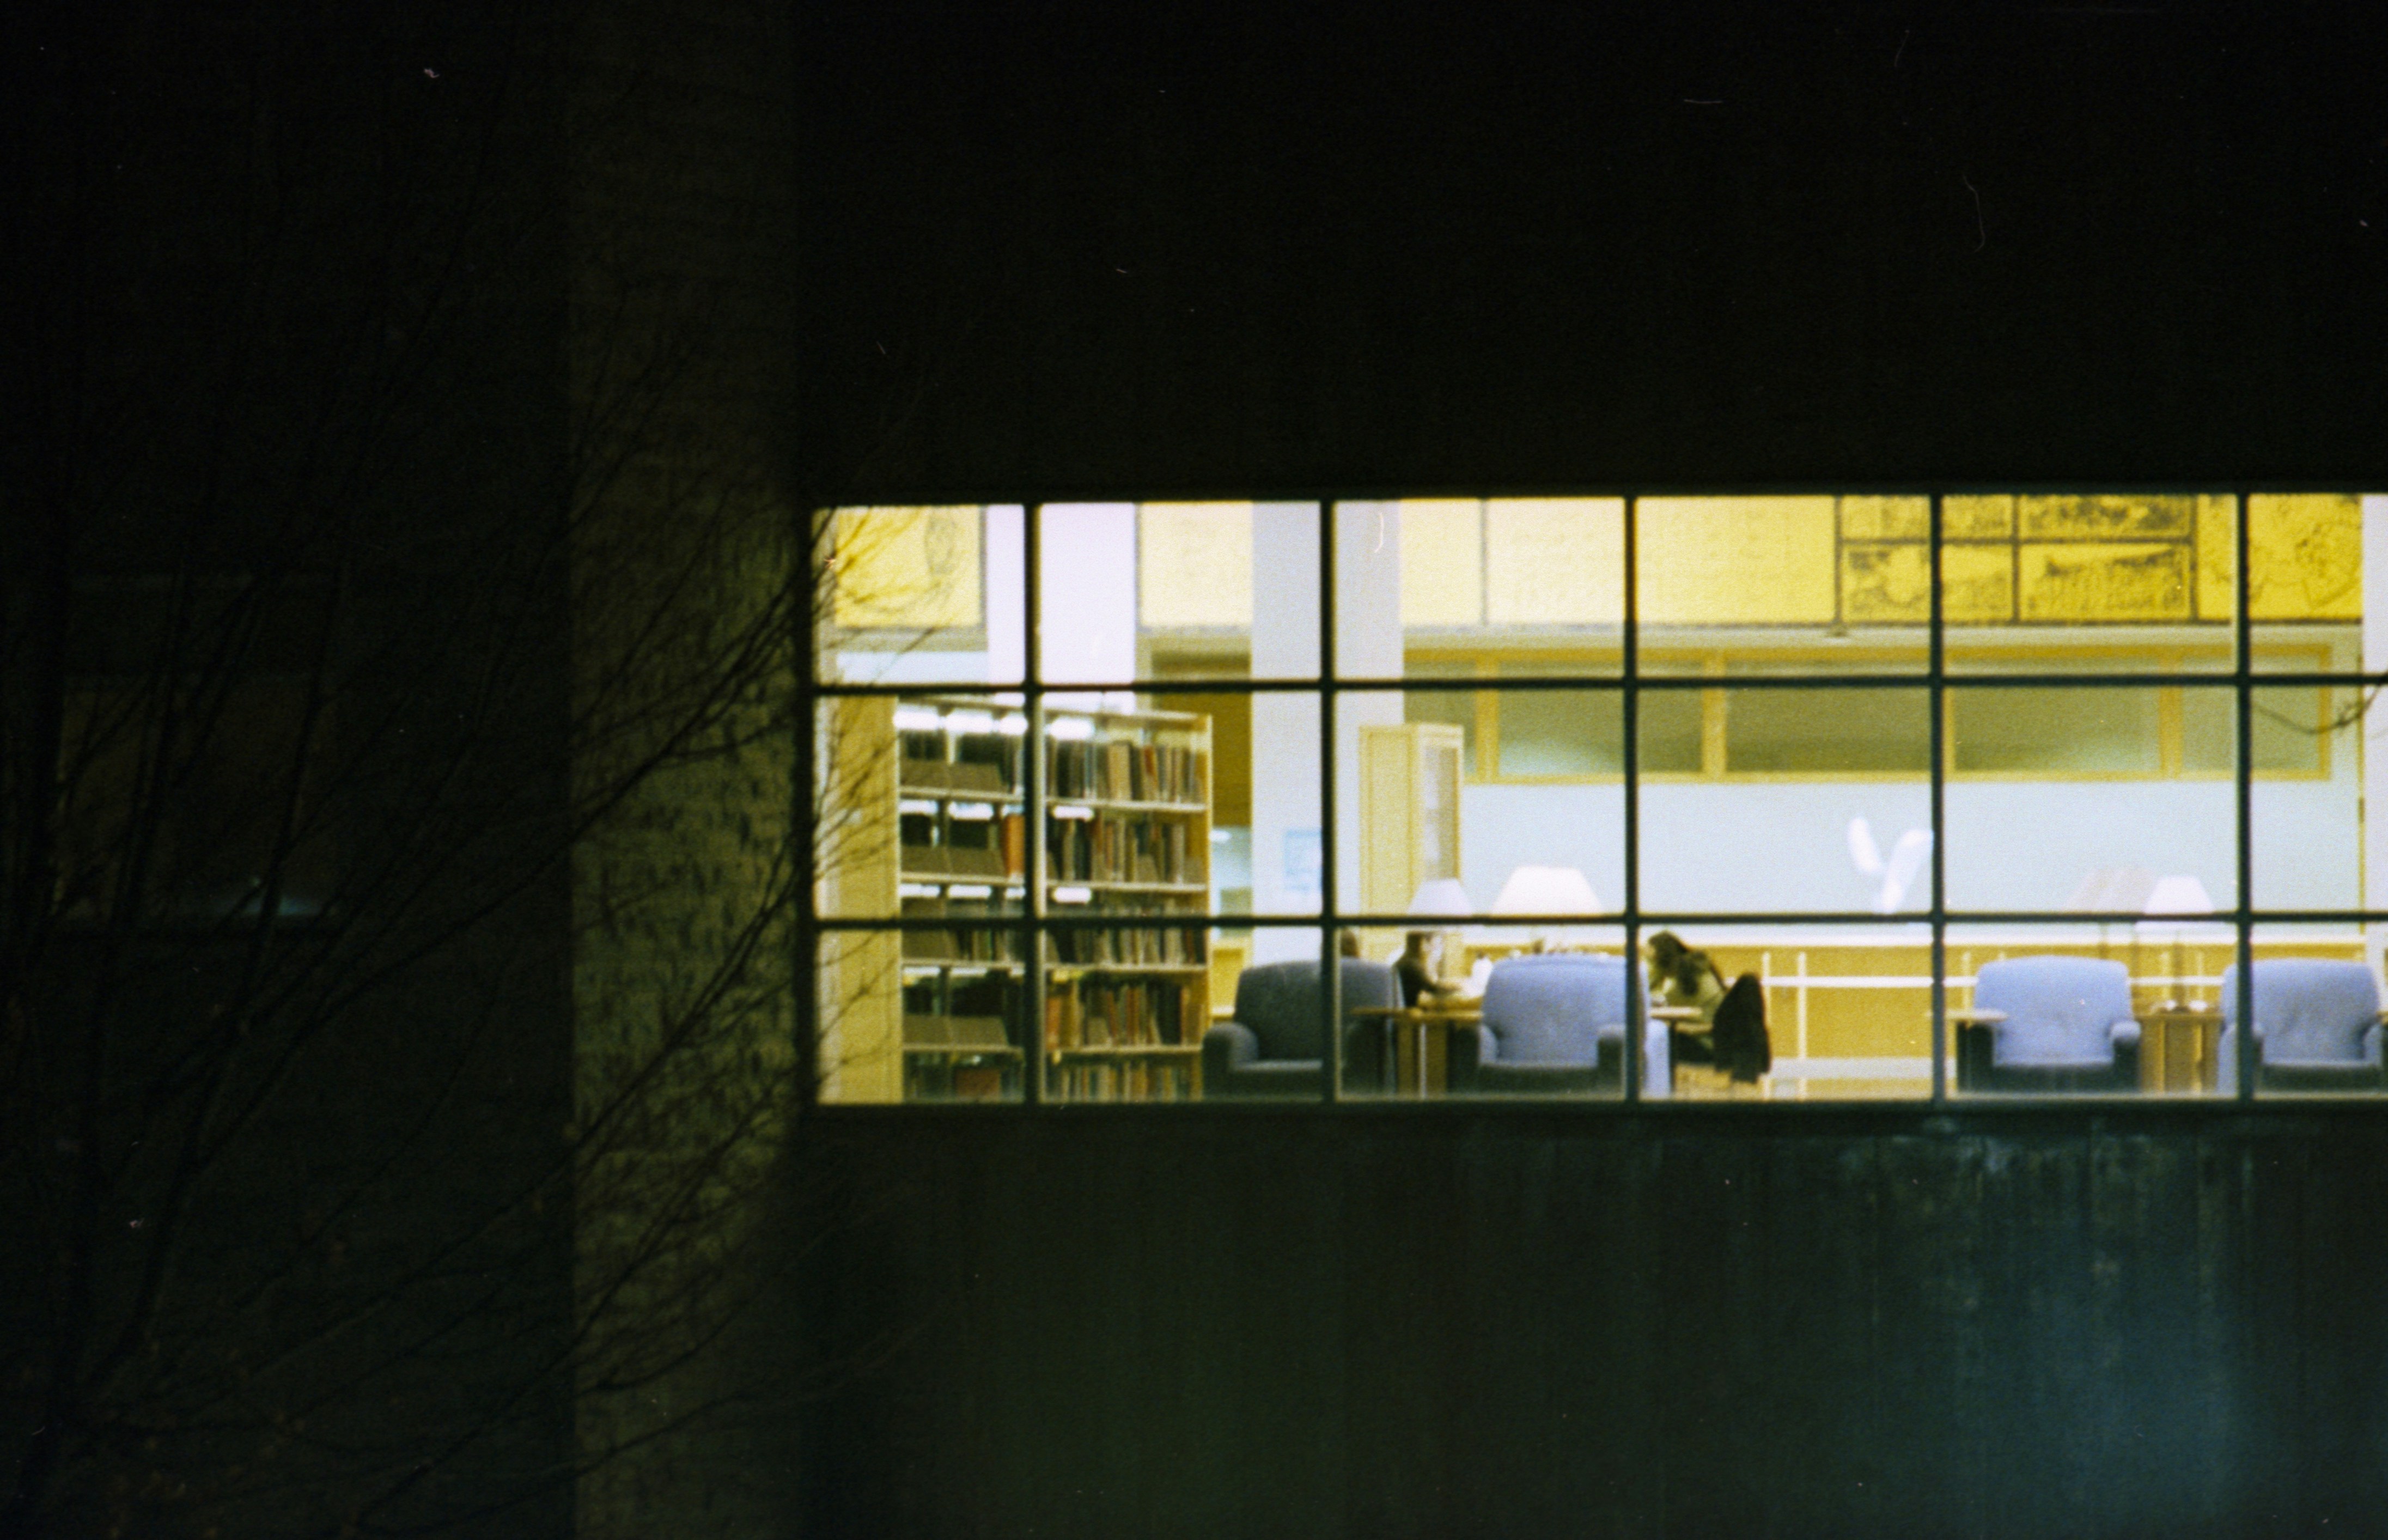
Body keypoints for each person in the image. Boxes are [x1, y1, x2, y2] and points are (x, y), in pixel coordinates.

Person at [1395, 930, 1459, 1009]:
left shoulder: (1408, 960)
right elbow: (1432, 989)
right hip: (1407, 1010)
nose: (1429, 947)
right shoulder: (1412, 965)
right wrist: (1455, 987)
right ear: (1421, 942)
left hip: (1406, 1006)